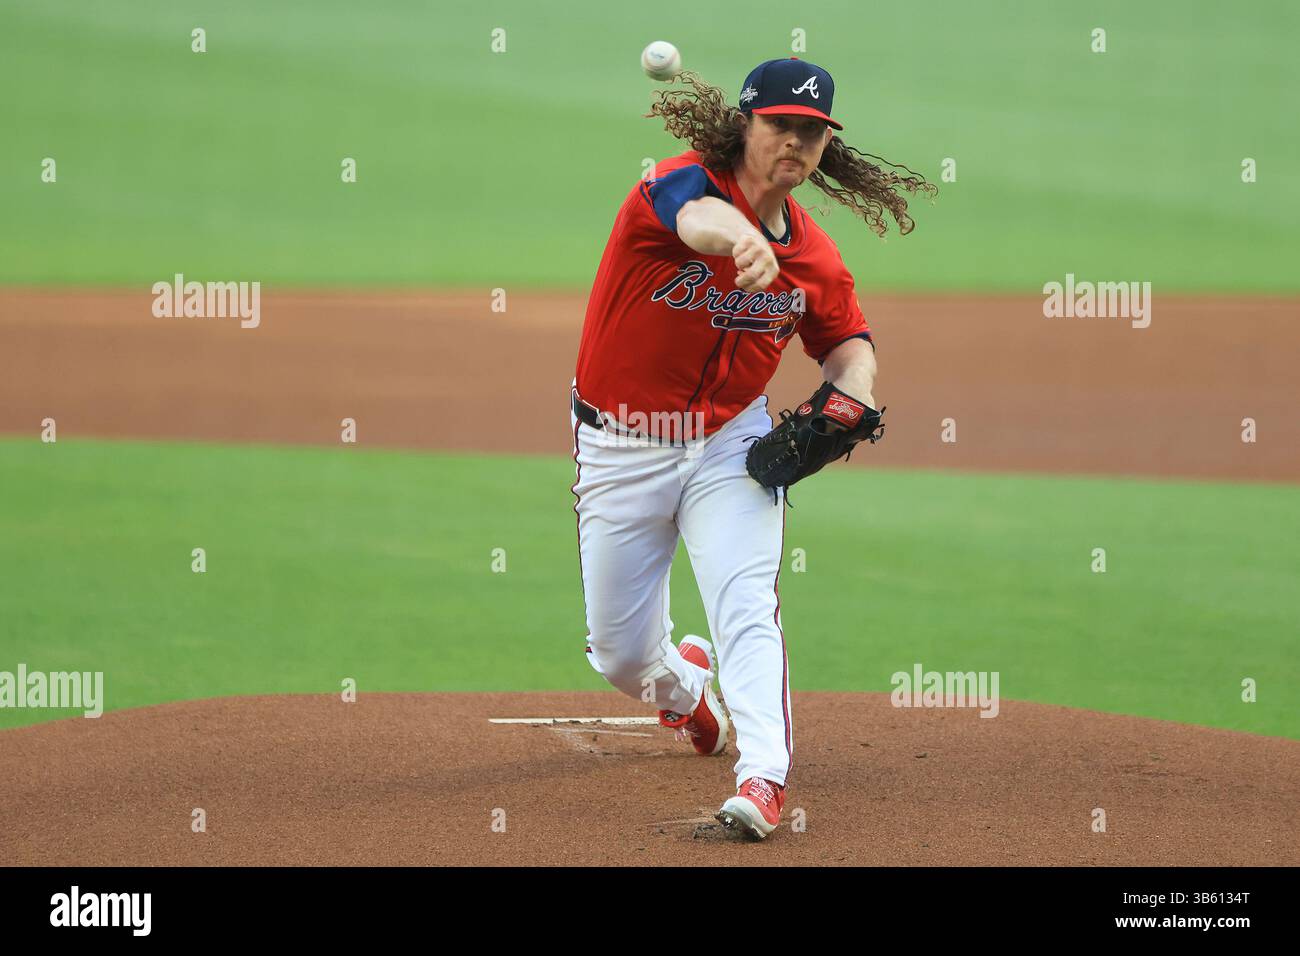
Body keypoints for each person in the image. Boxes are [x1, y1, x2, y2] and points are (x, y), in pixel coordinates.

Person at [569, 57, 934, 839]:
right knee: (620, 656)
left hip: (731, 443)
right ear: (746, 125)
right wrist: (742, 239)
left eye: (811, 132)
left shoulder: (812, 256)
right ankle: (687, 695)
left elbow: (848, 341)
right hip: (622, 443)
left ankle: (762, 778)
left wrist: (855, 388)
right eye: (780, 126)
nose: (795, 144)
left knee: (746, 605)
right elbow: (694, 217)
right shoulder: (673, 186)